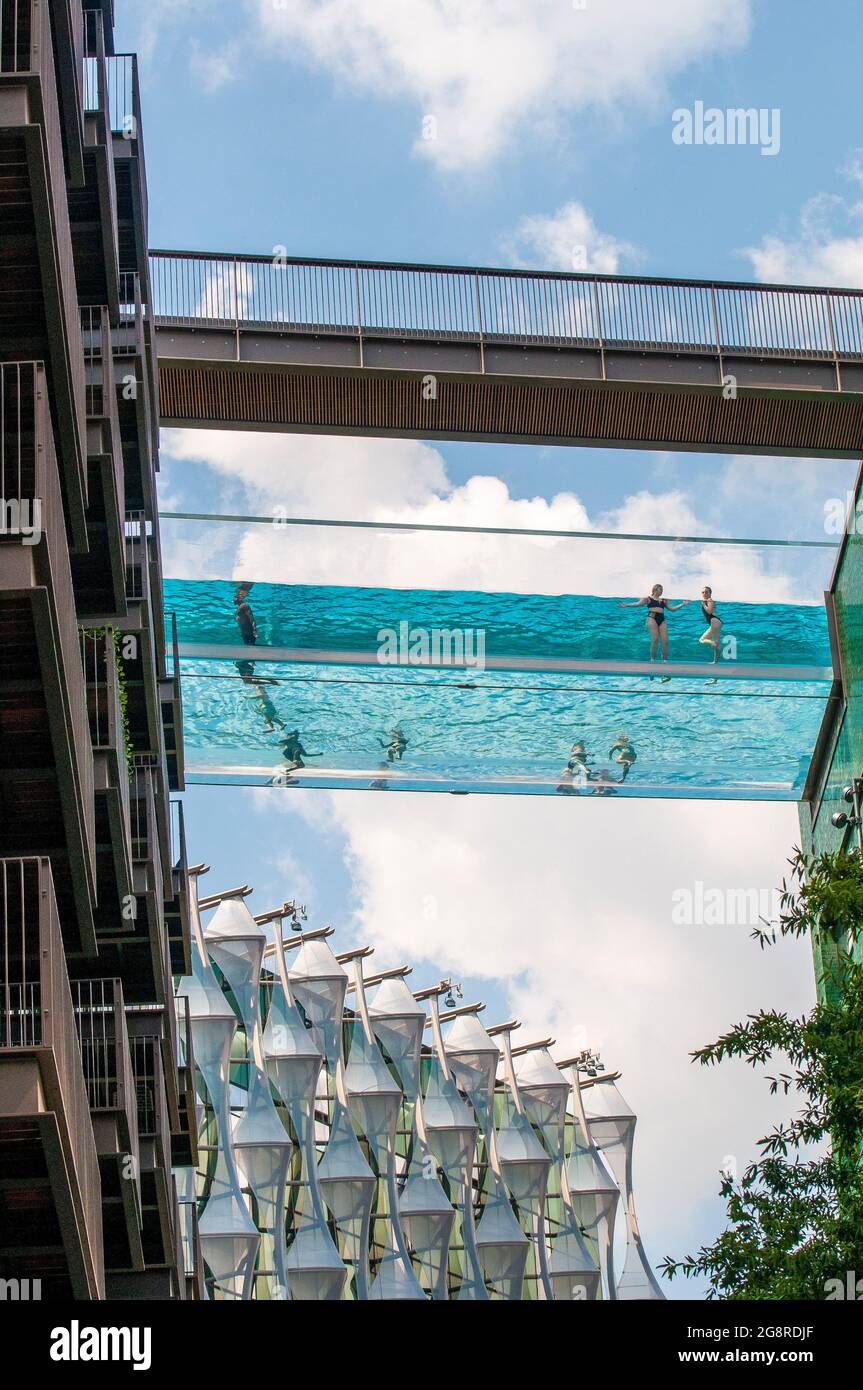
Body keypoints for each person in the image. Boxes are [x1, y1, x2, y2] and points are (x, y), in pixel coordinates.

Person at [619, 584, 690, 677]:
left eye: (662, 590)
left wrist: (683, 604)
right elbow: (637, 604)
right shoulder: (648, 599)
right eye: (660, 589)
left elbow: (672, 609)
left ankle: (664, 661)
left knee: (665, 641)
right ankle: (652, 660)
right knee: (655, 640)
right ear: (655, 590)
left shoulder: (664, 600)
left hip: (662, 619)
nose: (662, 591)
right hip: (651, 618)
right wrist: (626, 605)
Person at [698, 586, 723, 679]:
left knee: (715, 643)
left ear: (710, 593)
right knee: (702, 639)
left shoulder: (710, 600)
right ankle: (715, 663)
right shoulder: (706, 601)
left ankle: (715, 669)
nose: (704, 594)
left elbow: (710, 611)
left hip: (714, 621)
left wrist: (703, 604)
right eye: (703, 592)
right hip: (714, 622)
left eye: (706, 592)